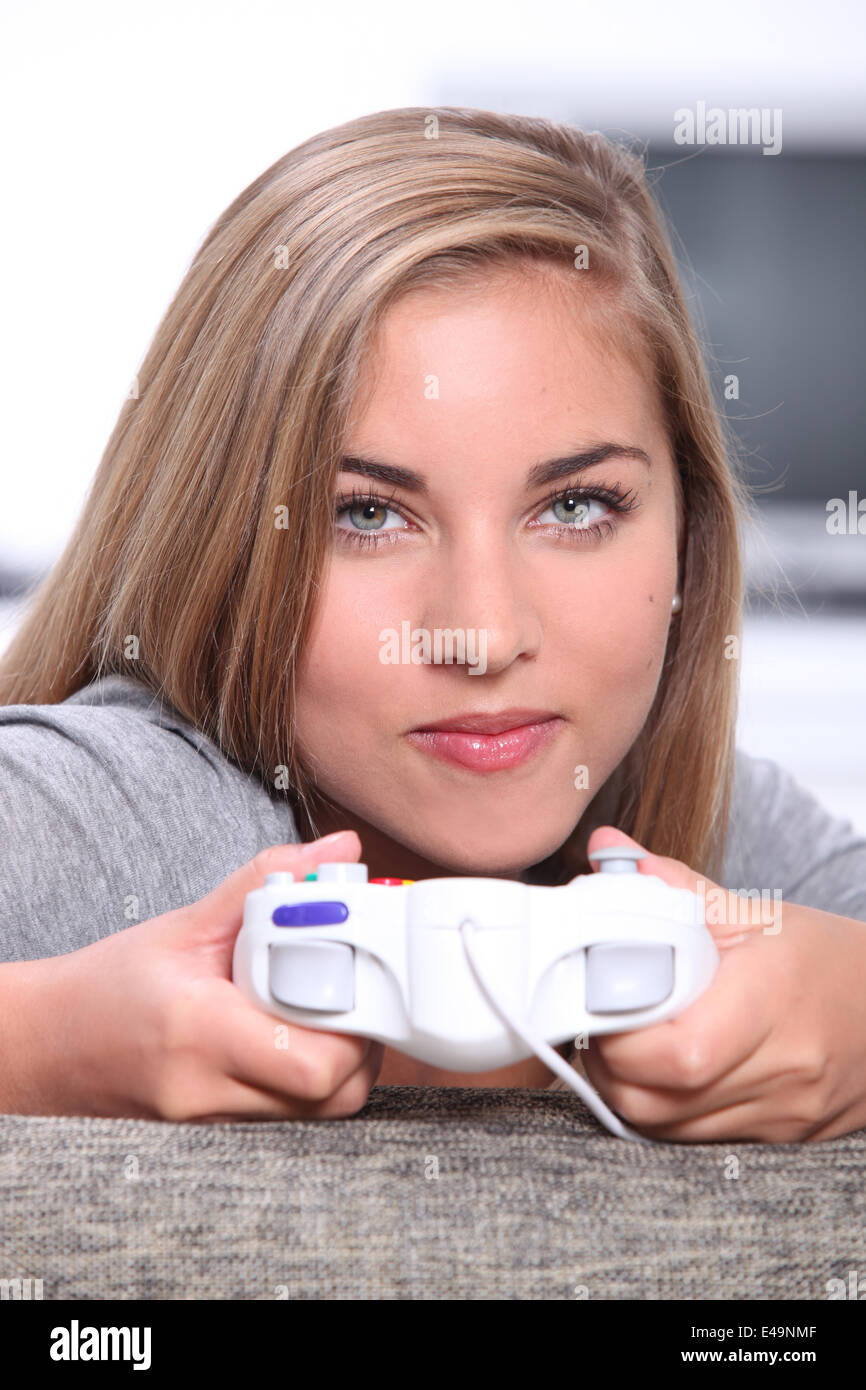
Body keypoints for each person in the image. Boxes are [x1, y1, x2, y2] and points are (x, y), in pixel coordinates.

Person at [1, 107, 865, 1141]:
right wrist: (39, 1041)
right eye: (366, 515)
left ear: (687, 525)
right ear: (224, 539)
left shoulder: (718, 830)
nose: (482, 636)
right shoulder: (107, 817)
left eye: (575, 506)